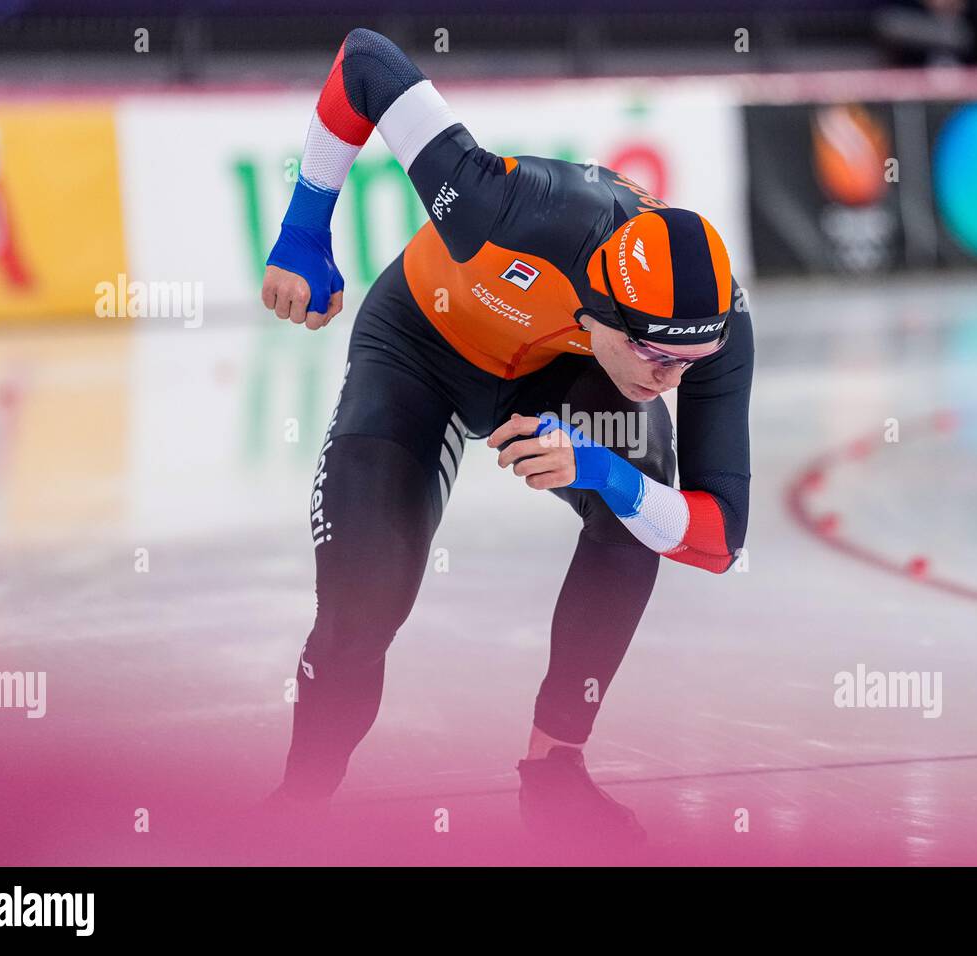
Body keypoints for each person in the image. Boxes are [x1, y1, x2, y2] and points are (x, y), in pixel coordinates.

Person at [260, 28, 753, 843]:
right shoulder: (503, 204)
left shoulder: (714, 331)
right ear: (600, 306)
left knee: (638, 501)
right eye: (655, 354)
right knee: (361, 608)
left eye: (691, 361)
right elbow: (367, 62)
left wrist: (608, 473)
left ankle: (556, 767)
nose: (671, 379)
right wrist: (306, 228)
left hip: (559, 373)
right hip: (422, 343)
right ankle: (297, 804)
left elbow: (717, 538)